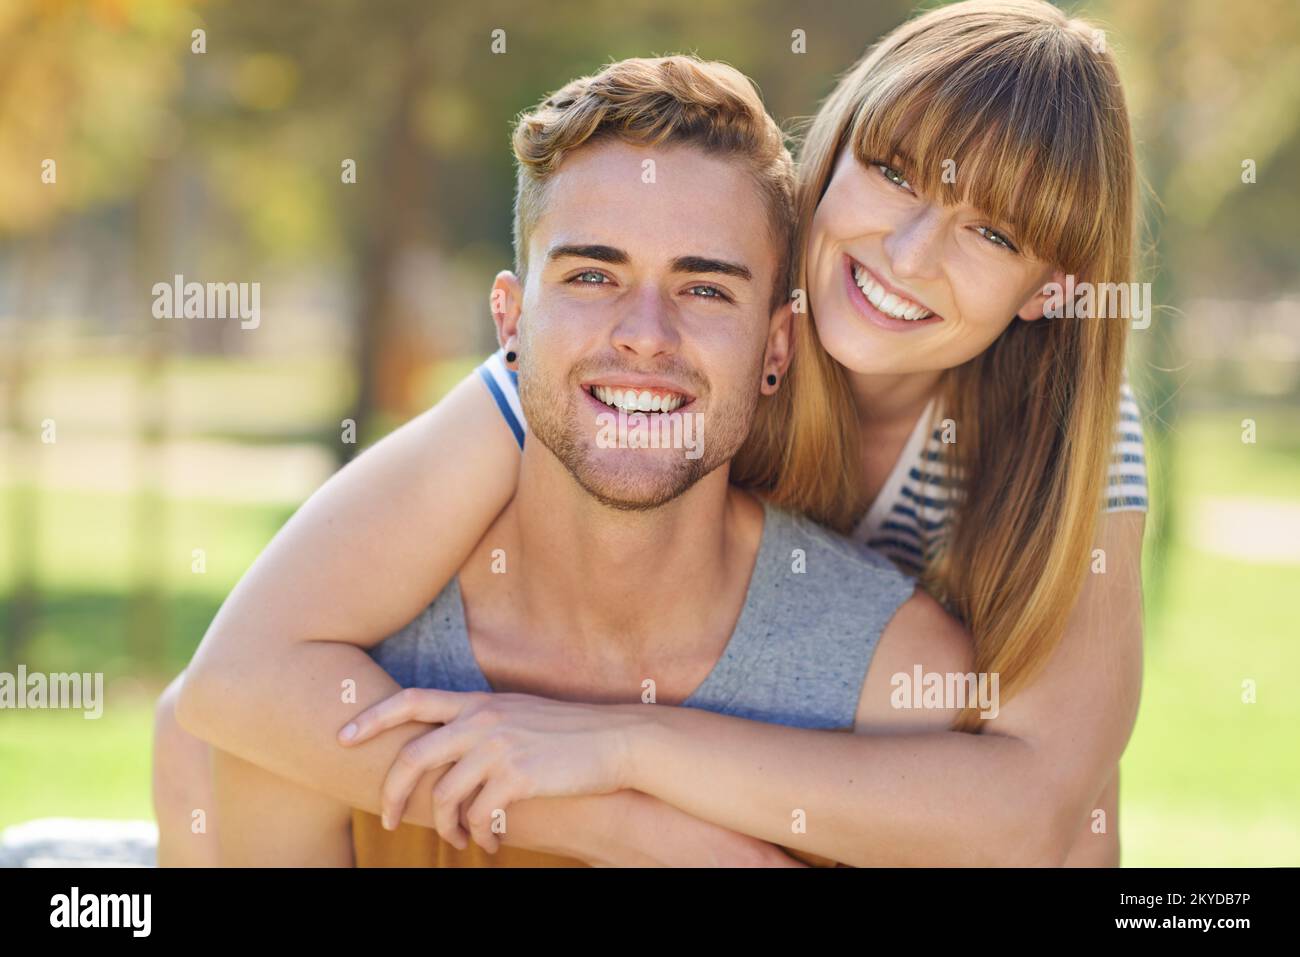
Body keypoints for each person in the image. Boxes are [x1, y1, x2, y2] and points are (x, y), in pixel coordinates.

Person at [162, 0, 1146, 867]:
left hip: (844, 752)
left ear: (1053, 287)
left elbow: (1039, 816)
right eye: (891, 174)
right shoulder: (666, 338)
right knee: (204, 739)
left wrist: (625, 750)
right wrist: (616, 824)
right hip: (683, 727)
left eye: (992, 233)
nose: (907, 253)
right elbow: (237, 683)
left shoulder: (1067, 447)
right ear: (830, 156)